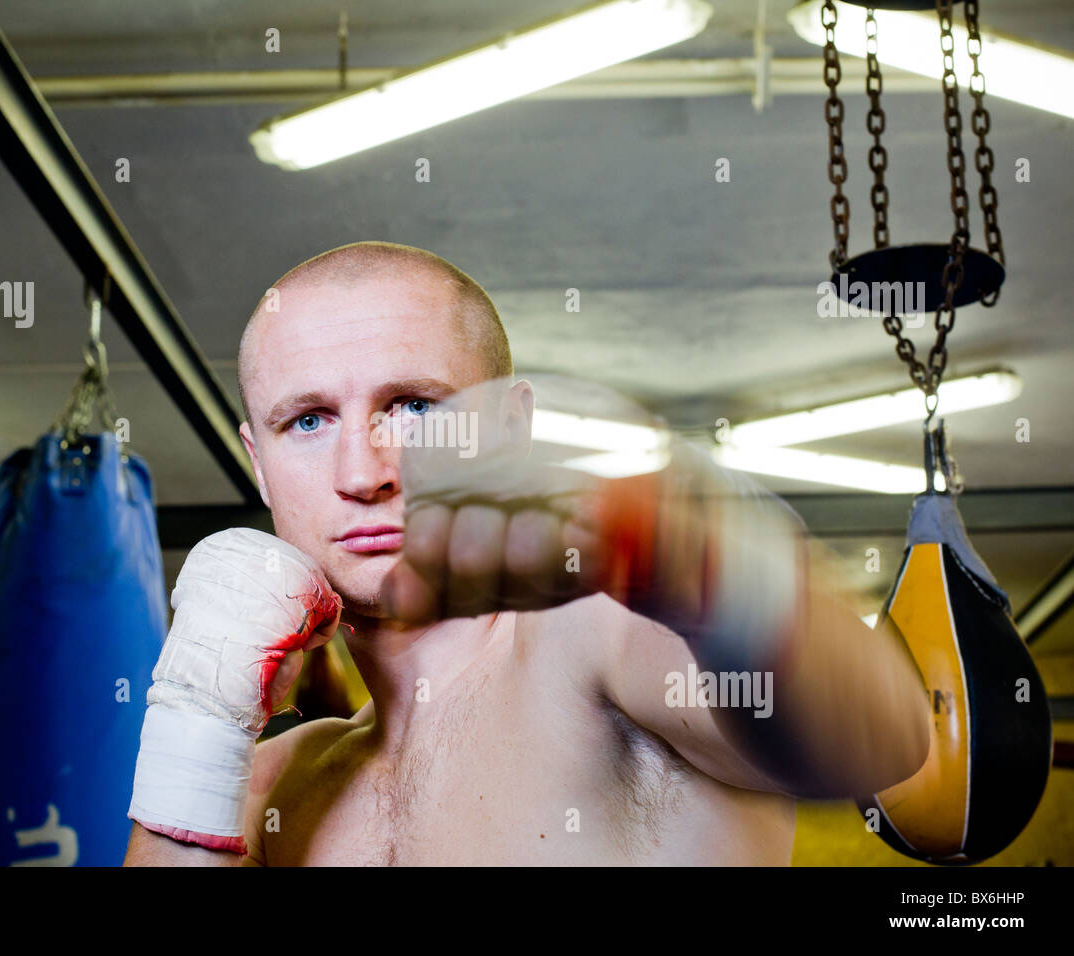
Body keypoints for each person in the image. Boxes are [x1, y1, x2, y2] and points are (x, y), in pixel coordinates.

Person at [123, 240, 930, 866]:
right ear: (256, 462)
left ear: (508, 426)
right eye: (307, 420)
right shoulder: (275, 783)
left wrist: (695, 565)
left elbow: (880, 743)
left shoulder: (594, 643)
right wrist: (194, 726)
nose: (363, 473)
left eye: (411, 407)